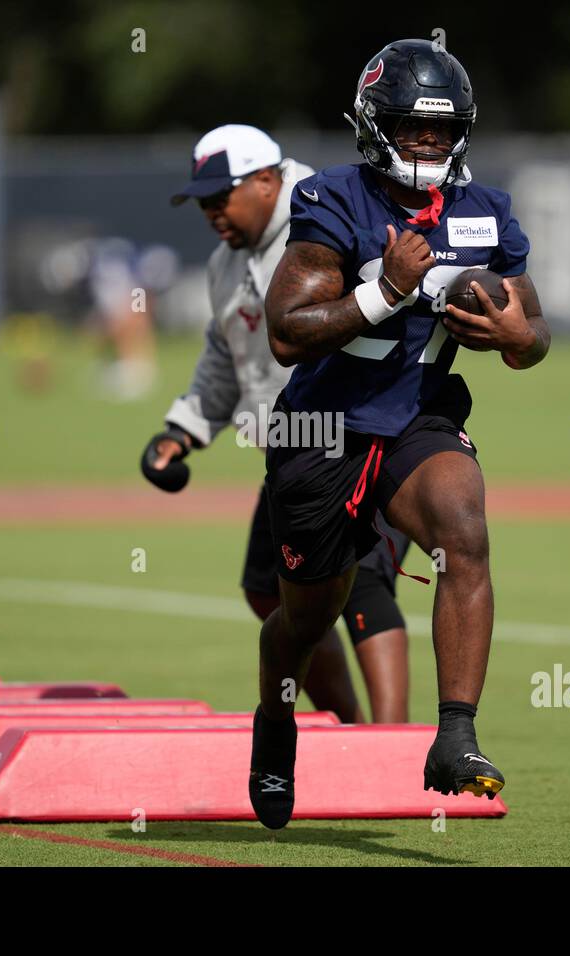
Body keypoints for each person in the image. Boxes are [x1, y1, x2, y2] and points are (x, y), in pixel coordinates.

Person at [248, 40, 551, 829]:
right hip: (326, 427)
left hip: (419, 414)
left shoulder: (485, 212)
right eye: (412, 129)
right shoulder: (335, 200)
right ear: (374, 127)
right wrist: (384, 291)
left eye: (442, 131)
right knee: (308, 617)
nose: (429, 144)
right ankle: (275, 719)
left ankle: (455, 734)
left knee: (464, 526)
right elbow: (287, 333)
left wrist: (511, 336)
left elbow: (534, 334)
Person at [141, 124, 413, 725]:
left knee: (363, 581)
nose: (211, 211)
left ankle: (395, 743)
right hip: (292, 446)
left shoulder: (326, 219)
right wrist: (183, 427)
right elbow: (223, 351)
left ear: (268, 180)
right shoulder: (226, 263)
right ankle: (350, 727)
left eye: (221, 196)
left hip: (365, 428)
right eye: (202, 201)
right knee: (270, 590)